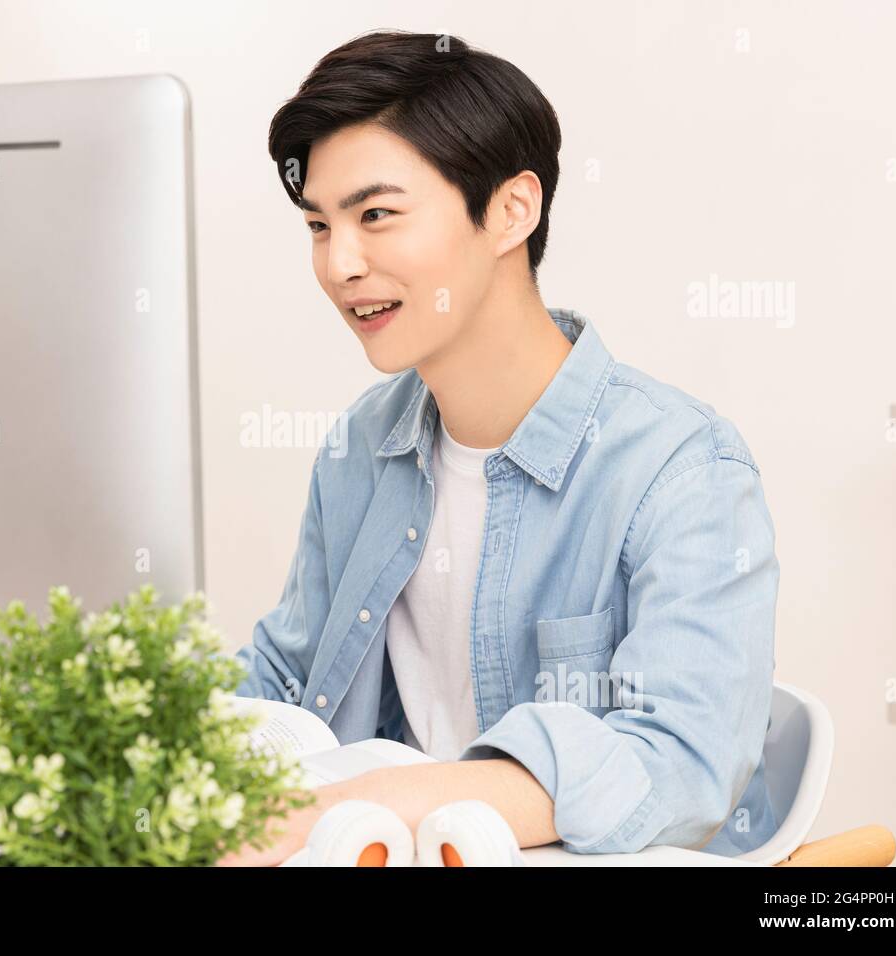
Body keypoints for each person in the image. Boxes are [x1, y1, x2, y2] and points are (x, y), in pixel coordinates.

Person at [220, 29, 779, 866]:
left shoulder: (680, 468)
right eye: (317, 226)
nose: (341, 265)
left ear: (513, 209)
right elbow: (287, 680)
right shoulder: (360, 448)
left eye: (376, 215)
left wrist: (379, 799)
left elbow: (682, 767)